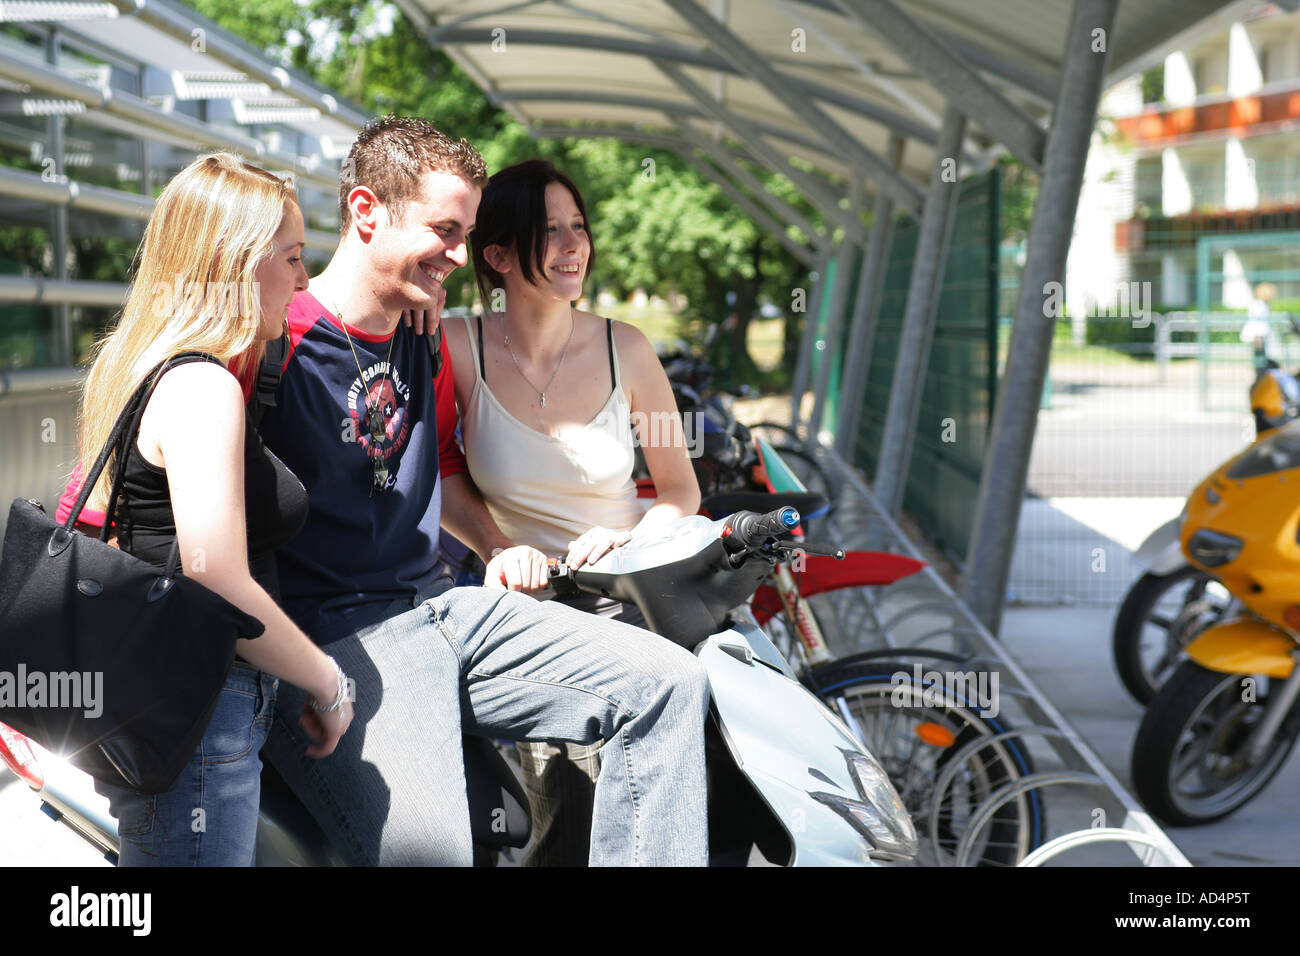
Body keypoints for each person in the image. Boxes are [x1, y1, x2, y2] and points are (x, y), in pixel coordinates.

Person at [254, 115, 710, 866]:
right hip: (339, 646)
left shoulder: (427, 336)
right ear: (366, 213)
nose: (462, 258)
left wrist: (497, 548)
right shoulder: (272, 339)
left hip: (445, 609)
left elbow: (447, 468)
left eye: (466, 233)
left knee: (669, 685)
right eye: (445, 230)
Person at [73, 154, 354, 866]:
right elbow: (217, 579)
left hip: (174, 704)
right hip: (204, 714)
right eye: (291, 257)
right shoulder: (202, 388)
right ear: (234, 260)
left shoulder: (144, 365)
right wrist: (324, 677)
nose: (301, 281)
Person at [440, 159, 700, 864]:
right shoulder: (458, 345)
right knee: (557, 820)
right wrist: (496, 547)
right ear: (495, 255)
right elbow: (437, 472)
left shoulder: (630, 349)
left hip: (627, 600)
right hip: (525, 613)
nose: (573, 244)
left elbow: (680, 489)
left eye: (578, 226)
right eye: (548, 230)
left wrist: (622, 541)